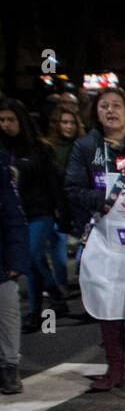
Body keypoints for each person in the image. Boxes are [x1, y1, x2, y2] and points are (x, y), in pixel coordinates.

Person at [64, 86, 125, 390]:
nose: (111, 111)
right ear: (96, 112)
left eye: (117, 105)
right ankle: (115, 367)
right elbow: (72, 190)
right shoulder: (86, 147)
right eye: (104, 106)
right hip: (107, 236)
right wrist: (100, 197)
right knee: (107, 298)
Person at [2, 98, 68, 331]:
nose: (6, 124)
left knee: (31, 258)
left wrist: (61, 213)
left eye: (11, 119)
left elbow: (54, 184)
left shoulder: (40, 149)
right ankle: (55, 295)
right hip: (14, 216)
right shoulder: (2, 150)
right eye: (2, 120)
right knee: (35, 261)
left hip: (40, 213)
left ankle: (34, 312)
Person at [0, 144, 29, 394]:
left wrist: (17, 260)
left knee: (7, 310)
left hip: (2, 261)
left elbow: (13, 218)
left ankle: (9, 366)